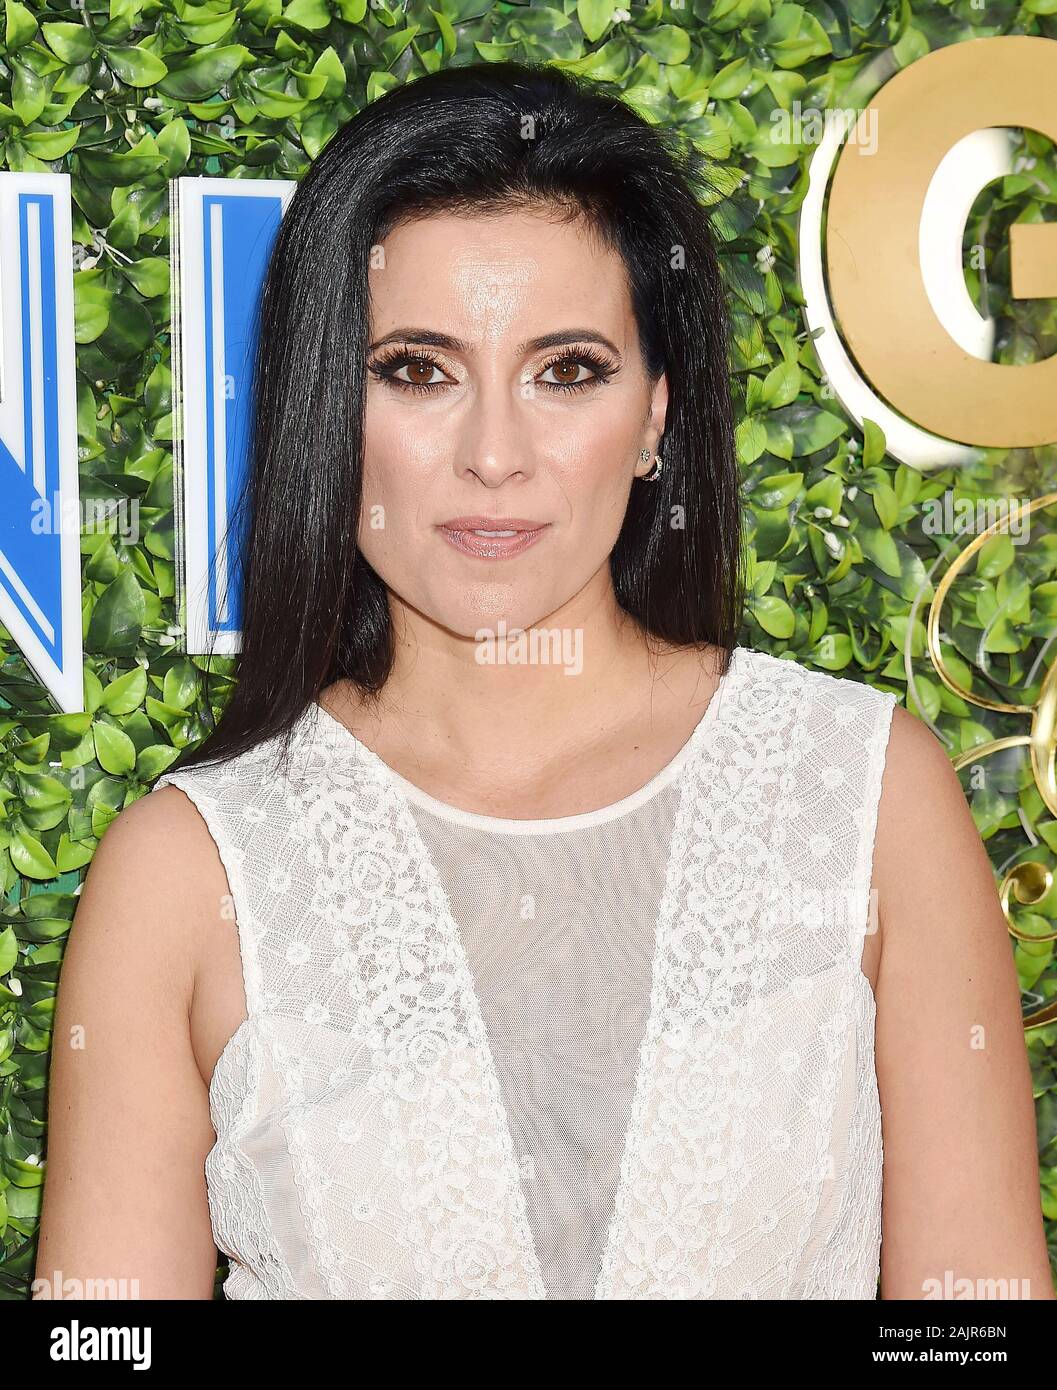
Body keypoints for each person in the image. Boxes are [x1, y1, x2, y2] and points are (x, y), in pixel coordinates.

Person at [34, 61, 1052, 1301]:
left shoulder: (861, 796)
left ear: (654, 417)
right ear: (325, 406)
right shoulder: (190, 871)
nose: (494, 455)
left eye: (565, 370)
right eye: (417, 369)